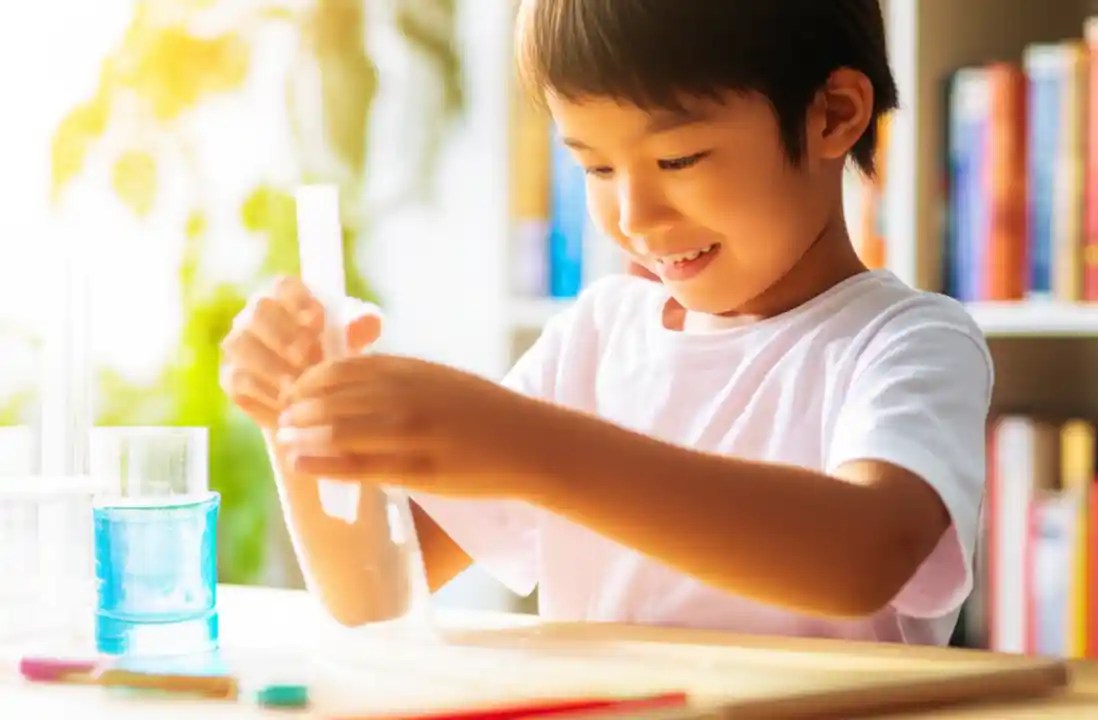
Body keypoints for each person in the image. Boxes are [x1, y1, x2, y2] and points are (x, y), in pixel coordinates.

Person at [218, 0, 993, 645]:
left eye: (680, 159)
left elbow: (862, 556)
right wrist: (298, 416)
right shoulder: (595, 338)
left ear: (834, 114)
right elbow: (374, 590)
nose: (634, 216)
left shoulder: (908, 342)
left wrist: (528, 445)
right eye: (594, 167)